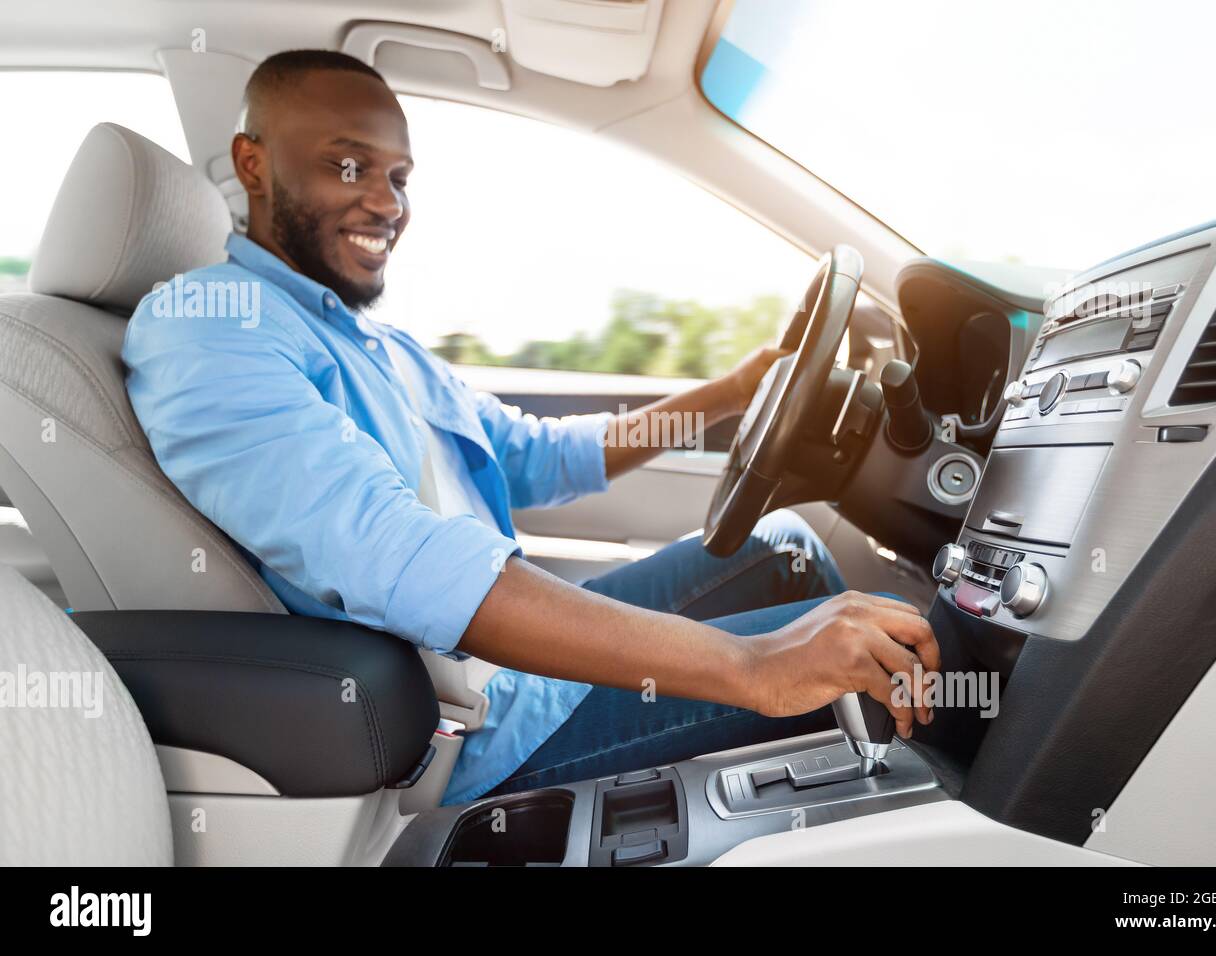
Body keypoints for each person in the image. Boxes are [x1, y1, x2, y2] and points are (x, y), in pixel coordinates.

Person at [123, 50, 938, 805]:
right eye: (351, 165)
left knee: (785, 549)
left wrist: (735, 391)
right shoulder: (207, 328)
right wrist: (754, 665)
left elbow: (542, 459)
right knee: (874, 659)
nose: (386, 202)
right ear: (252, 163)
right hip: (466, 728)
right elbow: (394, 554)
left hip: (509, 671)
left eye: (400, 176)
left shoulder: (377, 341)